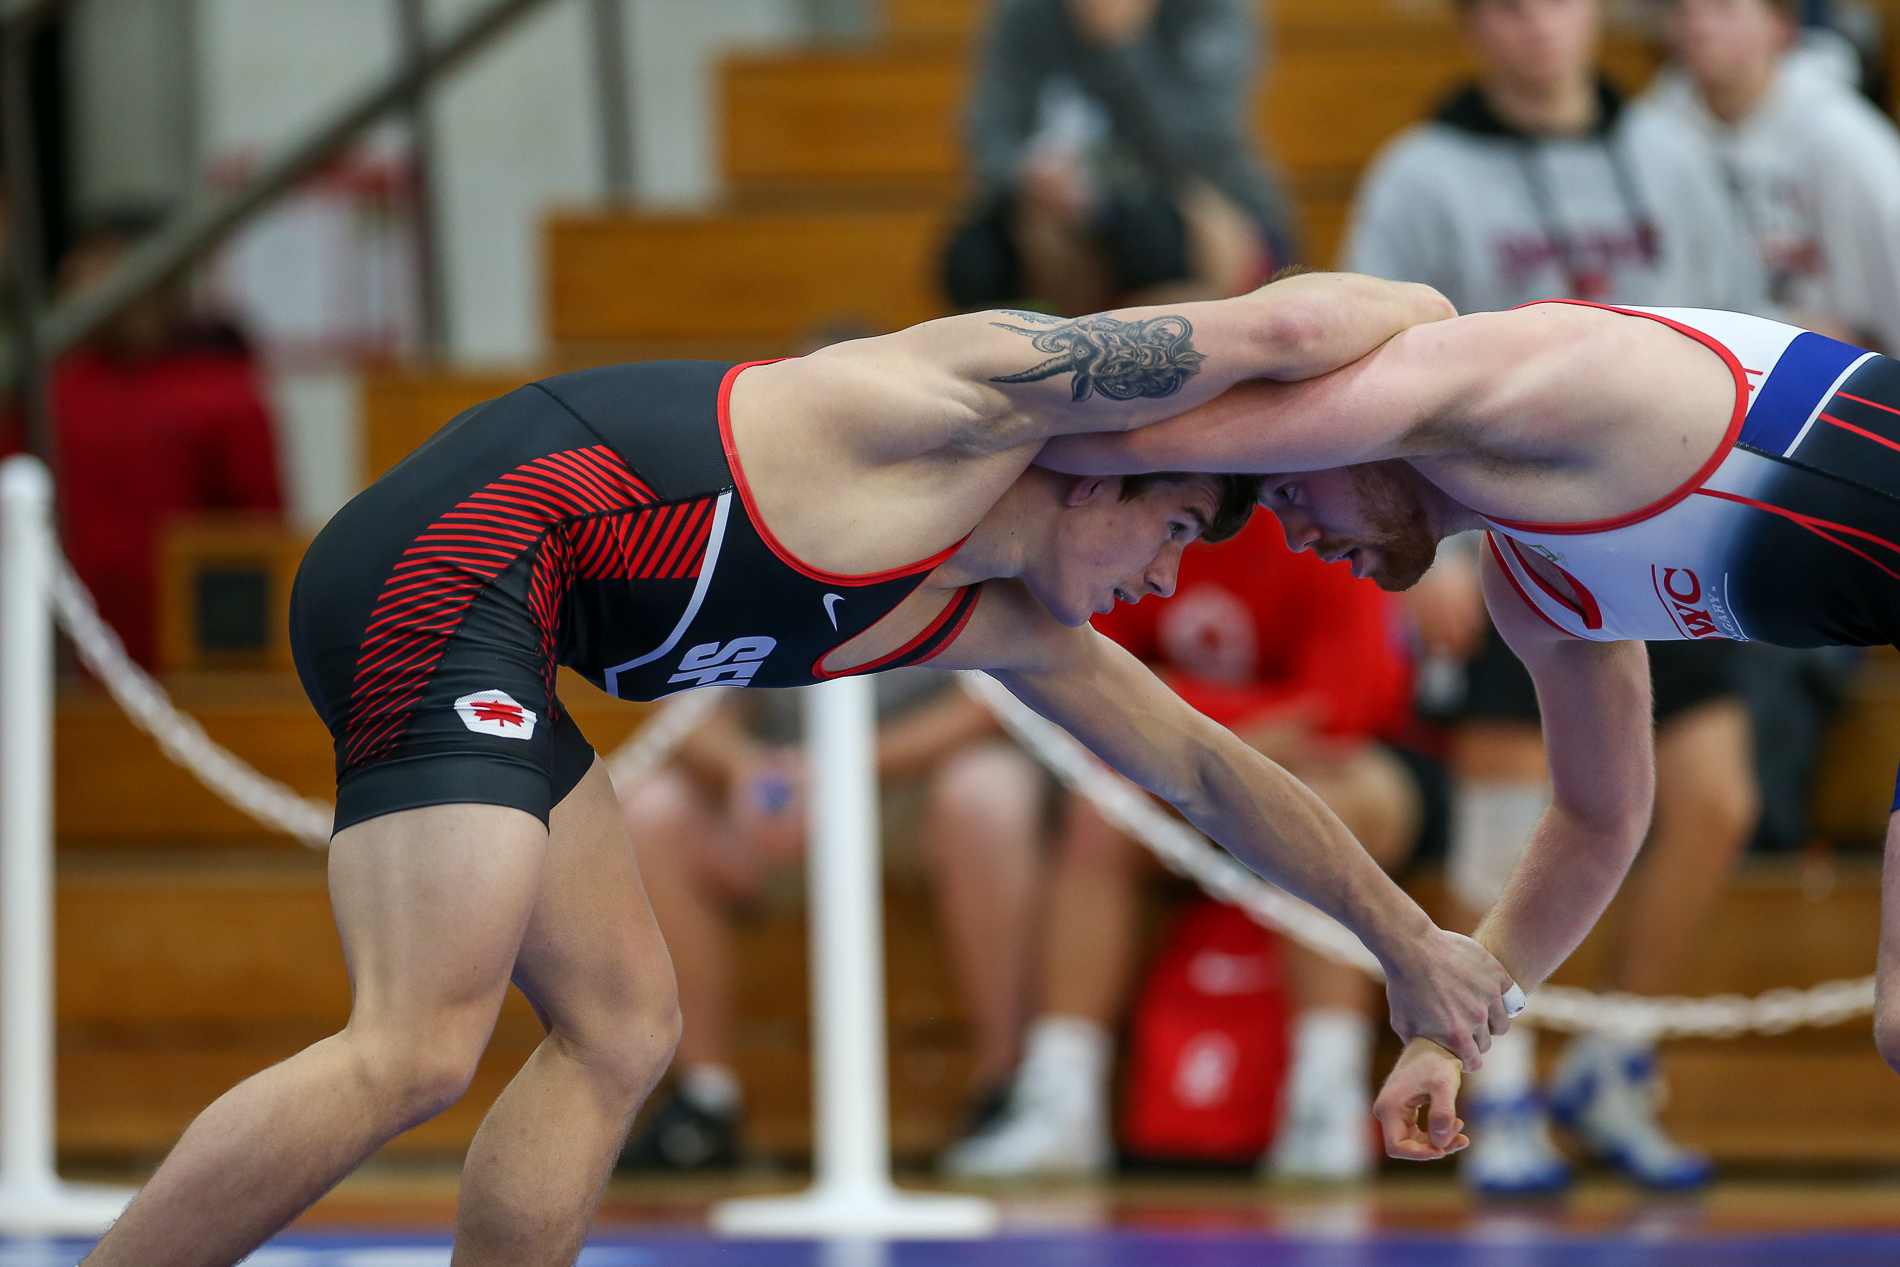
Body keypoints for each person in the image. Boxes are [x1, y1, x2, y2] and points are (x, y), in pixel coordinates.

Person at [80, 271, 1517, 1267]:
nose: (1165, 573)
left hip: (521, 616)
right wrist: (1450, 350)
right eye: (1180, 527)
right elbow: (1287, 323)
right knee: (415, 1043)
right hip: (450, 564)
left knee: (625, 1026)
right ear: (1104, 471)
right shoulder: (951, 409)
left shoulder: (990, 608)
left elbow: (1209, 776)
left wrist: (1408, 944)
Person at [1038, 293, 1900, 1165]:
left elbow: (1292, 337)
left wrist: (1004, 430)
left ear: (1358, 422)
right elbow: (1599, 819)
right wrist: (1453, 1025)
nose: (1296, 533)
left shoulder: (1509, 378)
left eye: (1291, 487)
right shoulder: (1536, 587)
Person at [1341, 0, 1766, 1192]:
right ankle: (1499, 1090)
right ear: (1473, 29)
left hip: (1666, 520)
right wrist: (1442, 547)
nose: (1536, 28)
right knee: (1504, 833)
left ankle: (1616, 1062)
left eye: (1555, 3)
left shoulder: (1668, 154)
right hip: (1505, 535)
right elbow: (1387, 374)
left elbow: (1723, 332)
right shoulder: (1421, 172)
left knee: (1713, 799)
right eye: (1507, 10)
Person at [935, 512, 1432, 1182]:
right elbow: (1080, 687)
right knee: (1099, 814)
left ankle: (1325, 1097)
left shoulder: (1319, 522)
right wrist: (1232, 731)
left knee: (1326, 800)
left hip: (1346, 773)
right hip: (1196, 773)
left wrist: (1169, 715)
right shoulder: (1135, 529)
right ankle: (1061, 1098)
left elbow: (1340, 709)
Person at [614, 672, 1044, 1170]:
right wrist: (751, 770)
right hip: (784, 796)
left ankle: (1006, 1088)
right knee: (651, 811)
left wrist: (849, 764)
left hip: (922, 781)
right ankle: (701, 1101)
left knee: (988, 794)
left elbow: (1003, 693)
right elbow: (680, 694)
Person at [5, 209, 285, 668]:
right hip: (56, 647)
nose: (76, 281)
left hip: (182, 658)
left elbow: (257, 538)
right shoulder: (48, 387)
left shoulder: (220, 390)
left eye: (100, 265)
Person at [943, 0, 1297, 317]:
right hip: (1064, 214)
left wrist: (1121, 43)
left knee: (1156, 241)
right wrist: (1026, 175)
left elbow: (1201, 145)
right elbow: (989, 132)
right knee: (980, 262)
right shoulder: (1025, 13)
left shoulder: (1209, 11)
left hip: (1199, 204)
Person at [1643, 0, 1900, 353]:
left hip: (1838, 376)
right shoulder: (1649, 139)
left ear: (1780, 26)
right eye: (1682, 11)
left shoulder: (1847, 140)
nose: (1699, 28)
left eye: (1723, 10)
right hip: (1705, 368)